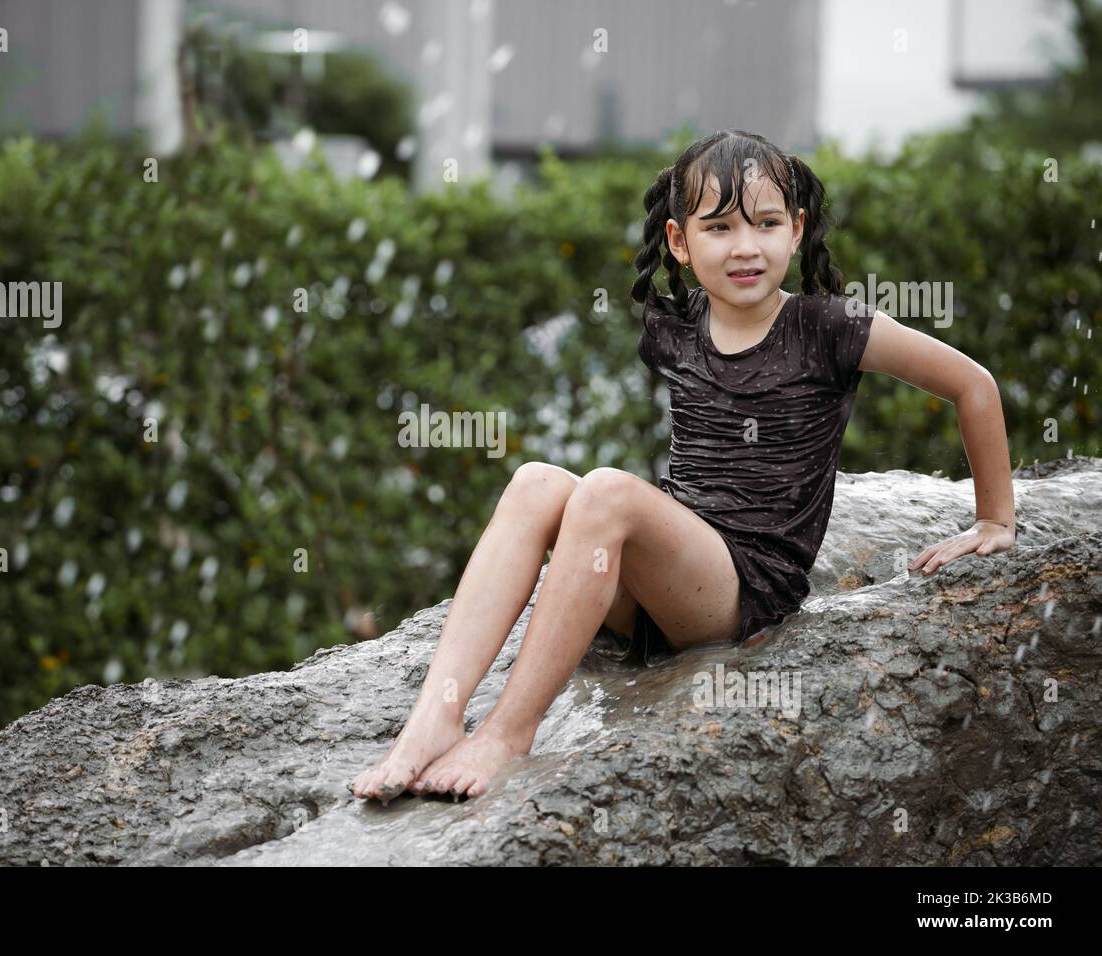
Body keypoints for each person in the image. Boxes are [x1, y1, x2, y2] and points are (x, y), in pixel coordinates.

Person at [348, 128, 1017, 804]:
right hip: (660, 591)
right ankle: (434, 716)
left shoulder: (831, 328)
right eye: (719, 227)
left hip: (743, 593)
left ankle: (507, 732)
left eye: (765, 222)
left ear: (797, 228)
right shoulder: (679, 324)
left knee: (607, 492)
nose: (746, 246)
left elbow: (974, 384)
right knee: (535, 481)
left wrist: (994, 519)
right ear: (679, 241)